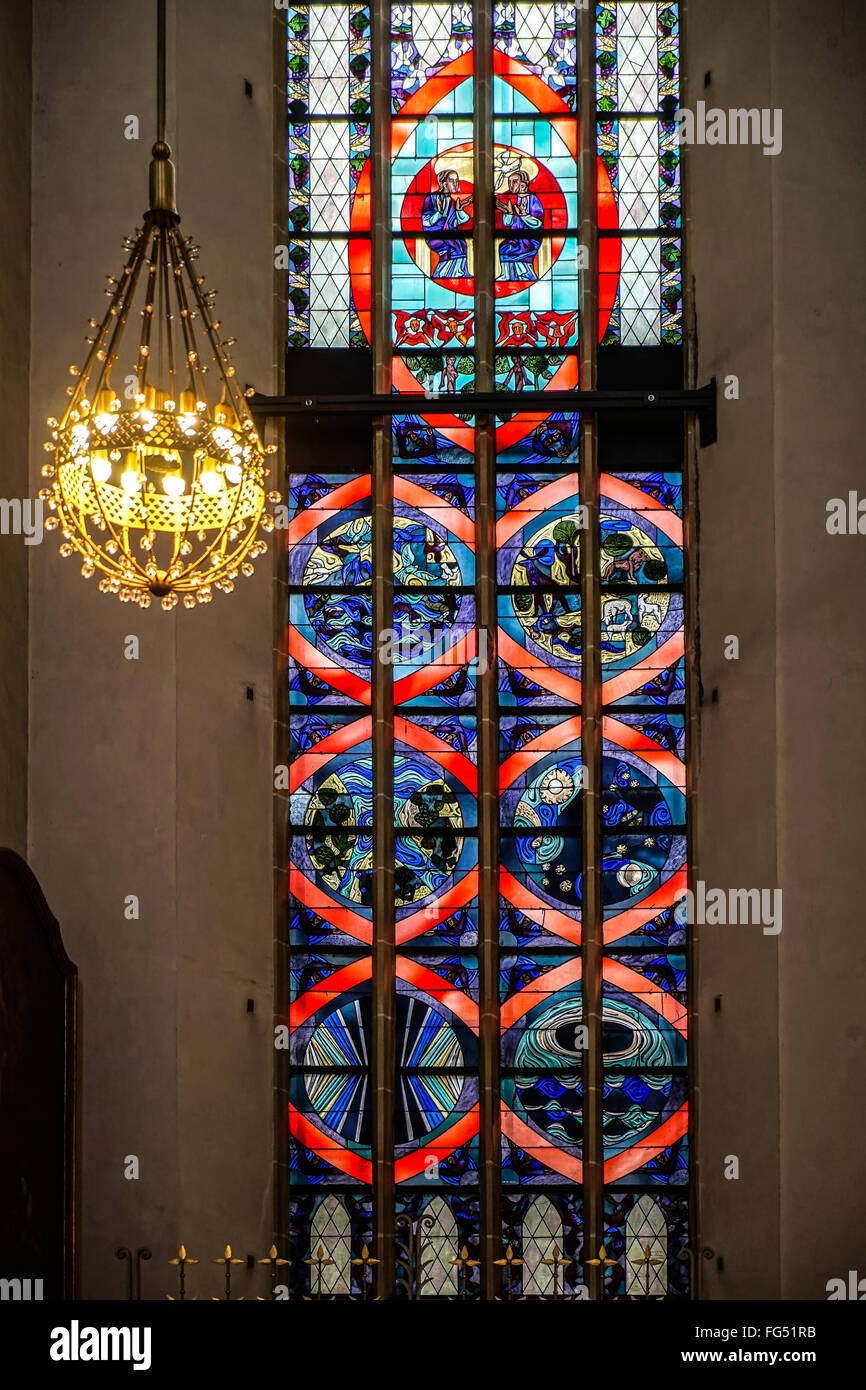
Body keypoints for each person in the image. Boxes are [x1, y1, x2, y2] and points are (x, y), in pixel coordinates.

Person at [422, 169, 472, 279]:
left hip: (448, 234)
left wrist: (459, 209)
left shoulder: (451, 201)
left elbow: (454, 222)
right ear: (444, 183)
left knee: (462, 245)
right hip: (434, 235)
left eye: (456, 181)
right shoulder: (431, 198)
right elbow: (425, 221)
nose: (455, 184)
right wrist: (439, 214)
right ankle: (444, 275)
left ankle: (459, 274)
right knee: (454, 246)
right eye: (452, 181)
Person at [496, 168, 544, 281]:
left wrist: (524, 215)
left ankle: (526, 273)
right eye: (509, 182)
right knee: (504, 247)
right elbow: (508, 223)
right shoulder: (517, 200)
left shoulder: (533, 199)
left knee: (519, 248)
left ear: (523, 184)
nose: (511, 185)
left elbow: (537, 223)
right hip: (516, 237)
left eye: (514, 181)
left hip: (531, 237)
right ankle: (507, 274)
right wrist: (508, 213)